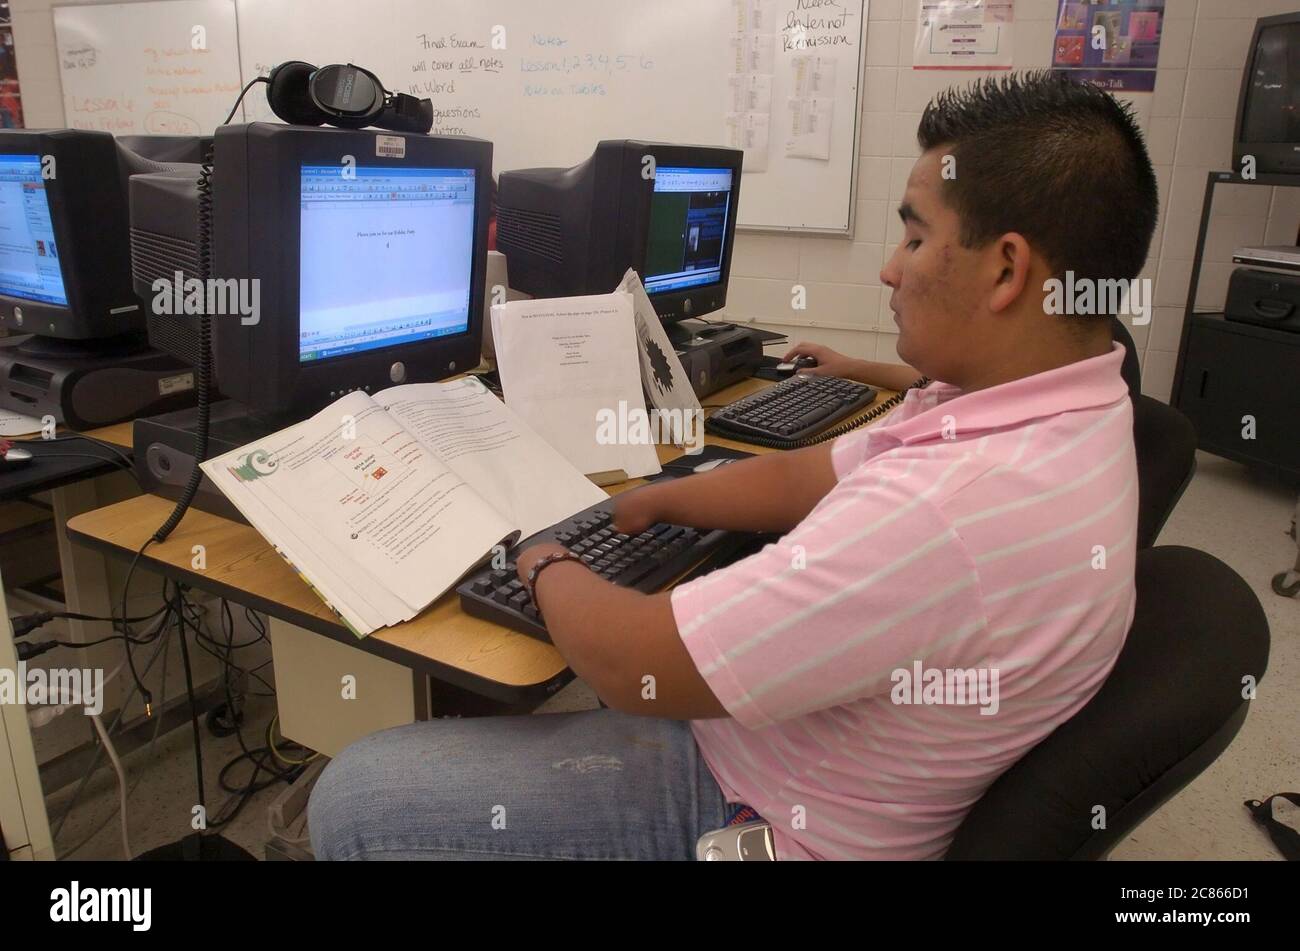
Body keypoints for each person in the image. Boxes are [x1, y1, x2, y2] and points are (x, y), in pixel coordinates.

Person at [308, 70, 1158, 861]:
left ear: (1006, 269)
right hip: (824, 750)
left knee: (354, 796)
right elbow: (810, 473)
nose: (889, 267)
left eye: (914, 234)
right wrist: (662, 501)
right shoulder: (1070, 404)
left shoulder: (949, 509)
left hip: (754, 804)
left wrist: (542, 556)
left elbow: (633, 664)